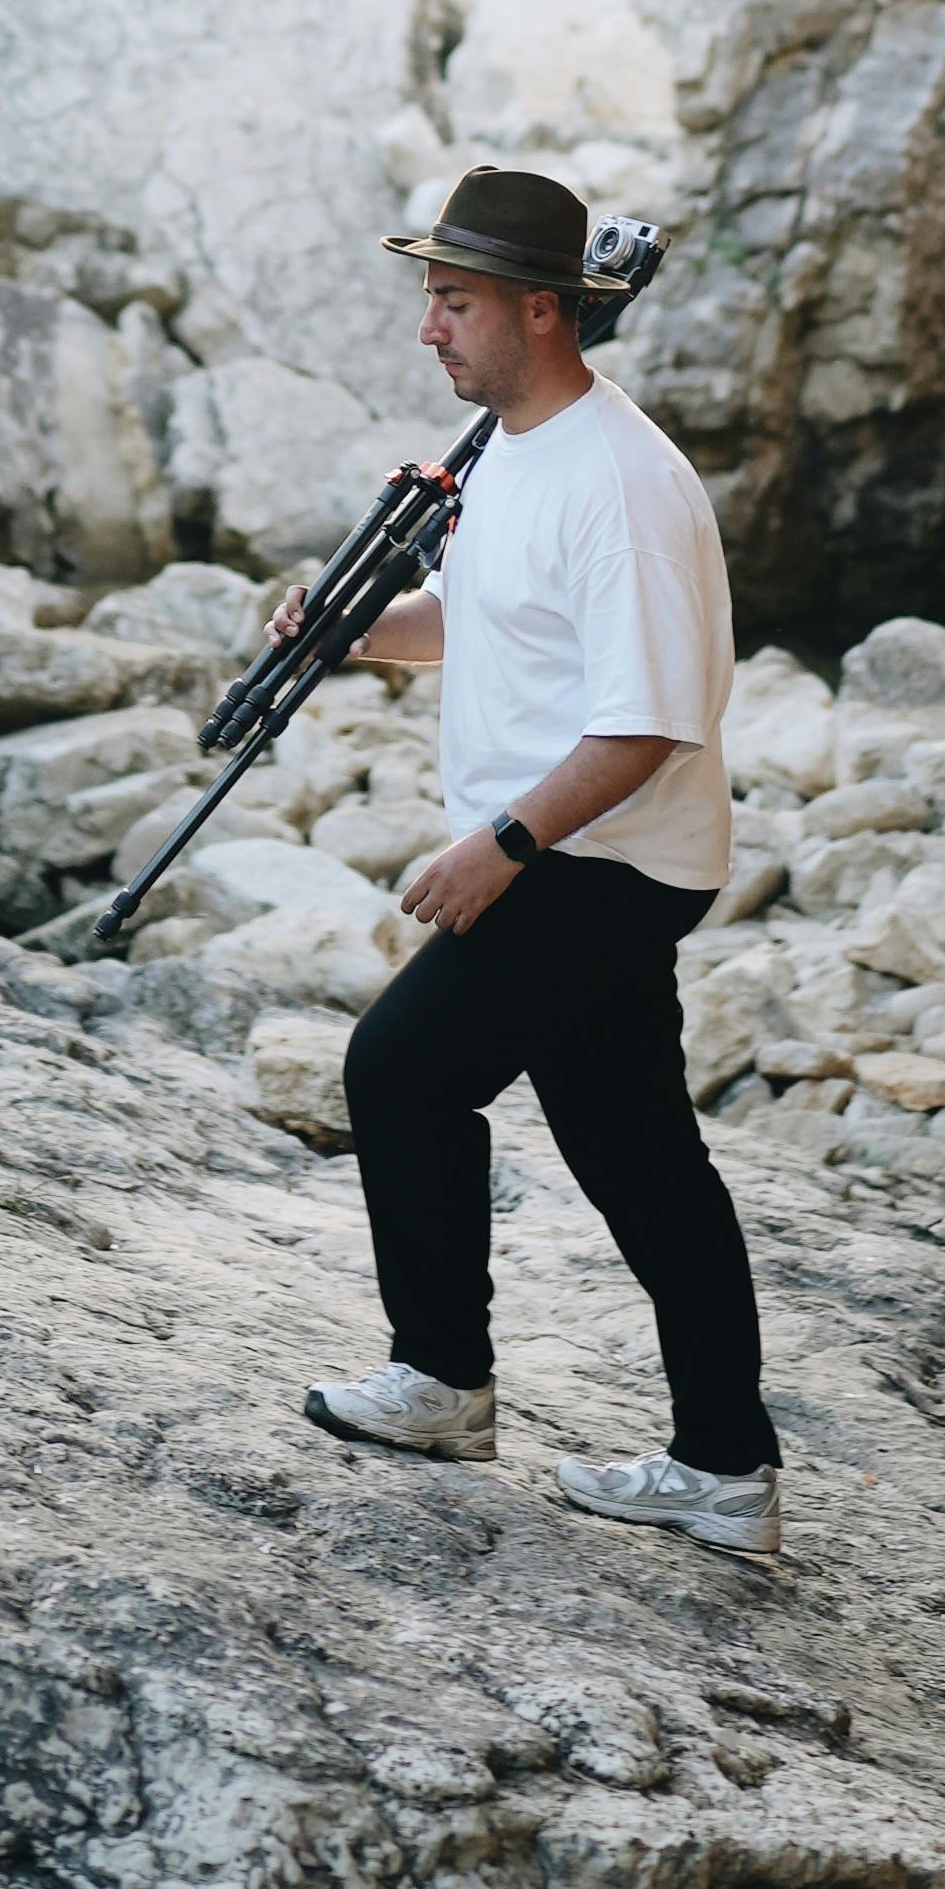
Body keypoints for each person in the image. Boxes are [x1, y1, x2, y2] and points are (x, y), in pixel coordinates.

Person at [288, 161, 783, 1560]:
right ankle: (725, 1468)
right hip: (583, 845)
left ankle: (443, 1380)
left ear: (543, 311)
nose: (429, 328)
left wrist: (499, 847)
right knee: (641, 1157)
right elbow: (486, 615)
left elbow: (649, 724)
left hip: (603, 856)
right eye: (432, 300)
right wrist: (351, 632)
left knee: (401, 1071)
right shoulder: (516, 447)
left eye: (454, 302)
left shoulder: (624, 485)